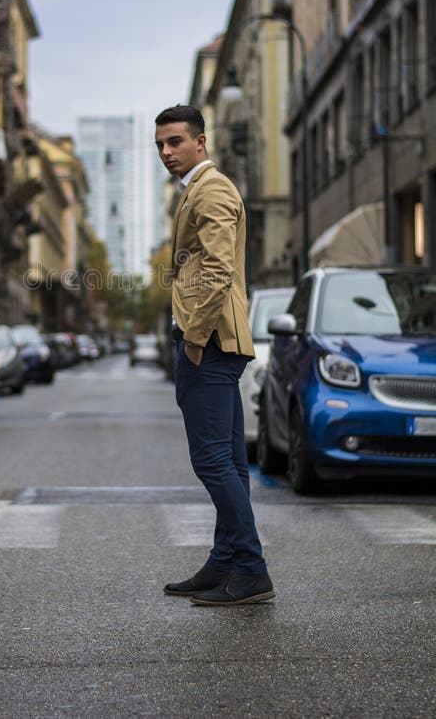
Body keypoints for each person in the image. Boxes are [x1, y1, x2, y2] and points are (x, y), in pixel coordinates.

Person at [154, 104, 274, 606]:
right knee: (229, 462)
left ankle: (250, 569)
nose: (166, 152)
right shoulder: (196, 192)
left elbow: (220, 267)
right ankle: (226, 560)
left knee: (211, 461)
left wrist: (195, 336)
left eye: (175, 142)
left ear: (200, 142)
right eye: (160, 144)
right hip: (219, 342)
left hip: (213, 342)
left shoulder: (213, 189)